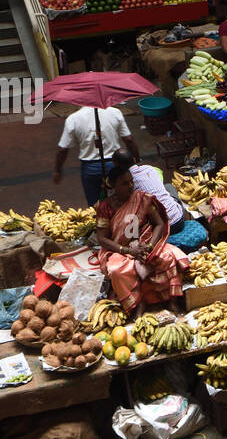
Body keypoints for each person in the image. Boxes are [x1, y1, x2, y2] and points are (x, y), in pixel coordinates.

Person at [95, 162, 189, 314]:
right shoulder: (106, 207)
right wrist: (127, 250)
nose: (131, 186)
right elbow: (102, 239)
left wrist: (150, 246)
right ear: (113, 186)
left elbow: (159, 223)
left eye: (131, 181)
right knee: (118, 270)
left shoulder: (142, 199)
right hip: (119, 249)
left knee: (169, 257)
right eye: (125, 183)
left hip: (146, 244)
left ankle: (172, 302)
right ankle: (138, 306)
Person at [109, 151, 208, 254]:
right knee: (168, 188)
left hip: (166, 226)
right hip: (179, 217)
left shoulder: (126, 188)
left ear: (116, 166)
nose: (130, 184)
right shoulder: (149, 168)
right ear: (134, 159)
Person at [53, 104, 140, 206]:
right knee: (123, 202)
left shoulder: (73, 119)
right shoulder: (115, 112)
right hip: (115, 165)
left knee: (95, 206)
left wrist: (58, 170)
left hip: (90, 169)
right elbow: (129, 140)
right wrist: (137, 161)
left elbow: (63, 149)